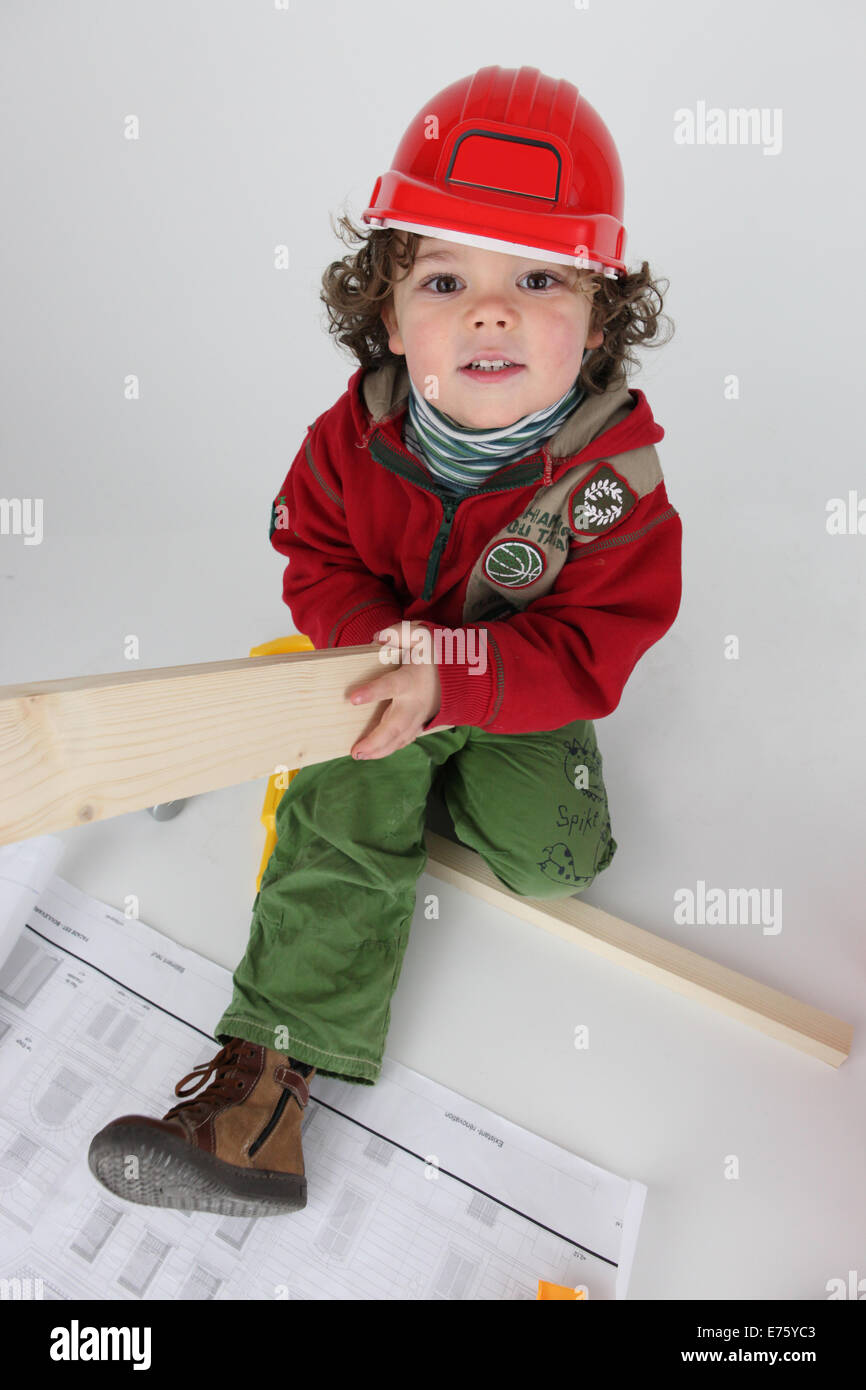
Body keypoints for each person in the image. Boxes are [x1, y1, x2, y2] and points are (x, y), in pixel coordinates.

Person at [88, 65, 682, 1217]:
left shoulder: (616, 486)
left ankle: (433, 766)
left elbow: (593, 649)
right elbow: (314, 557)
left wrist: (452, 677)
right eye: (445, 276)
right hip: (378, 677)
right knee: (350, 788)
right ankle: (259, 1098)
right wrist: (376, 656)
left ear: (600, 315)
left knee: (552, 868)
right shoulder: (349, 436)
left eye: (539, 277)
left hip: (519, 695)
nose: (489, 310)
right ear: (389, 312)